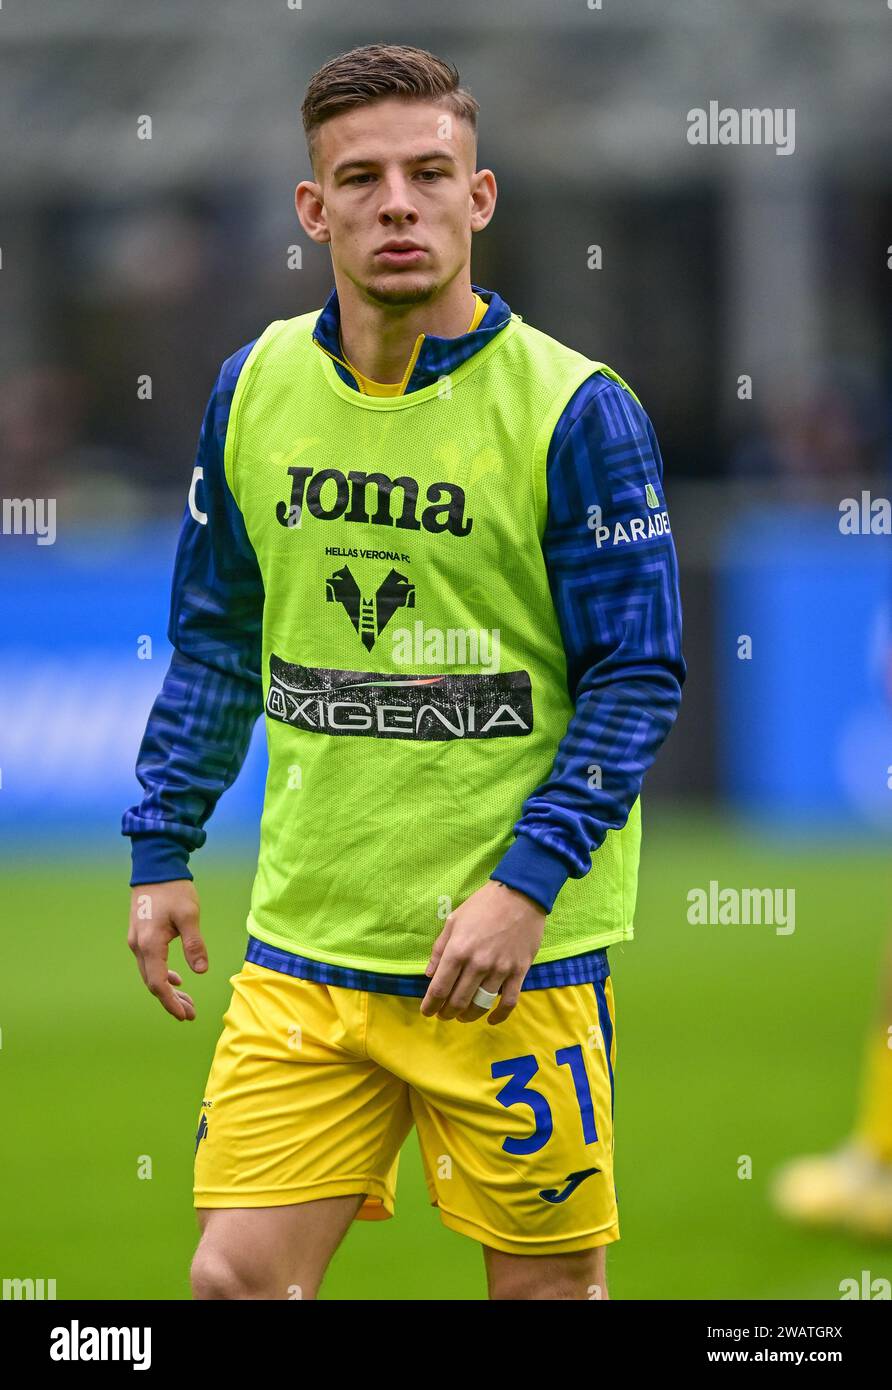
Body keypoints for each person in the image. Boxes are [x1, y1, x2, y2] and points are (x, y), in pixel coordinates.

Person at [122, 42, 685, 1301]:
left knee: (543, 1294)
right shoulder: (253, 385)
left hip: (512, 969)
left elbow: (636, 676)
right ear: (314, 210)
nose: (398, 204)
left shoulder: (577, 411)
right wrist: (163, 844)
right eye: (362, 179)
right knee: (231, 1283)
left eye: (430, 174)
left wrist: (525, 888)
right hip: (306, 953)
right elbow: (216, 635)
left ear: (477, 200)